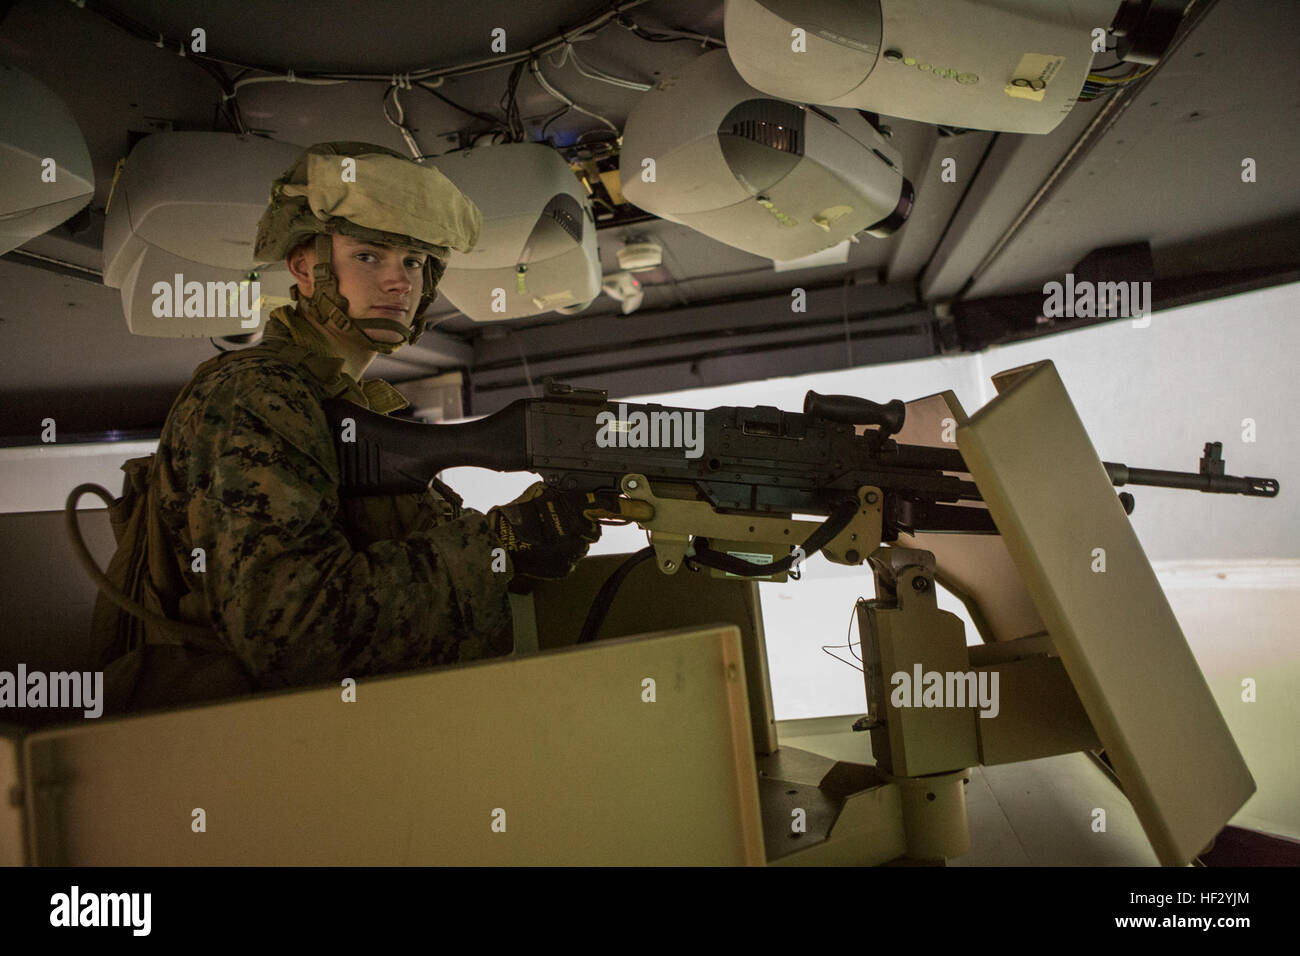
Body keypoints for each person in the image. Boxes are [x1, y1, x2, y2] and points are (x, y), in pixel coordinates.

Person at [87, 141, 609, 711]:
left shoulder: (350, 406)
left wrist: (526, 542)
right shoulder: (258, 395)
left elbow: (409, 565)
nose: (399, 282)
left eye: (413, 261)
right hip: (247, 759)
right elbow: (295, 633)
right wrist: (497, 545)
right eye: (369, 257)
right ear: (306, 269)